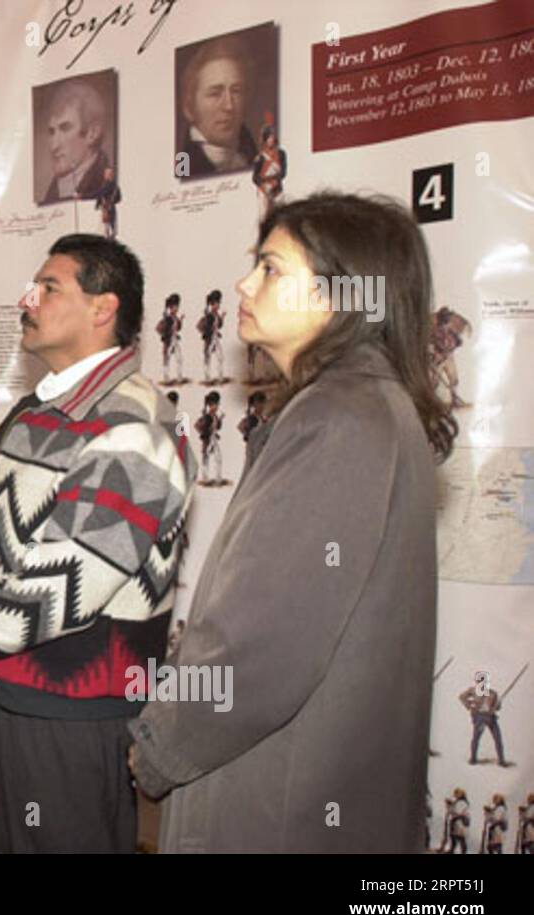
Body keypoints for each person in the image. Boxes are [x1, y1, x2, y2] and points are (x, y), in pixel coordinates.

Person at [127, 191, 457, 852]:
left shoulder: (339, 417)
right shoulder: (362, 406)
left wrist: (159, 745)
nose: (246, 283)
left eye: (273, 268)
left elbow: (261, 644)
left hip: (277, 807)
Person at [0, 234, 195, 853]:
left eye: (49, 287)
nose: (29, 298)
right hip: (12, 687)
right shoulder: (34, 413)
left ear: (104, 309)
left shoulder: (135, 424)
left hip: (77, 711)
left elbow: (72, 581)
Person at [177, 37, 257, 178]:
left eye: (236, 91)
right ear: (189, 107)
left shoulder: (252, 155)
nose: (229, 106)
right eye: (215, 94)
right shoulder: (184, 163)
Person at [41, 80, 111, 203]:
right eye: (51, 132)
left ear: (92, 134)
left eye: (65, 128)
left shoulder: (106, 184)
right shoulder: (56, 188)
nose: (54, 146)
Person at [251, 115, 286, 218]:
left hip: (277, 190)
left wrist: (273, 181)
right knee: (264, 218)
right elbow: (255, 178)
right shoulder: (260, 157)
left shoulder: (281, 154)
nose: (271, 140)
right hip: (263, 191)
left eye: (272, 137)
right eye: (269, 137)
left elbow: (283, 173)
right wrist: (265, 186)